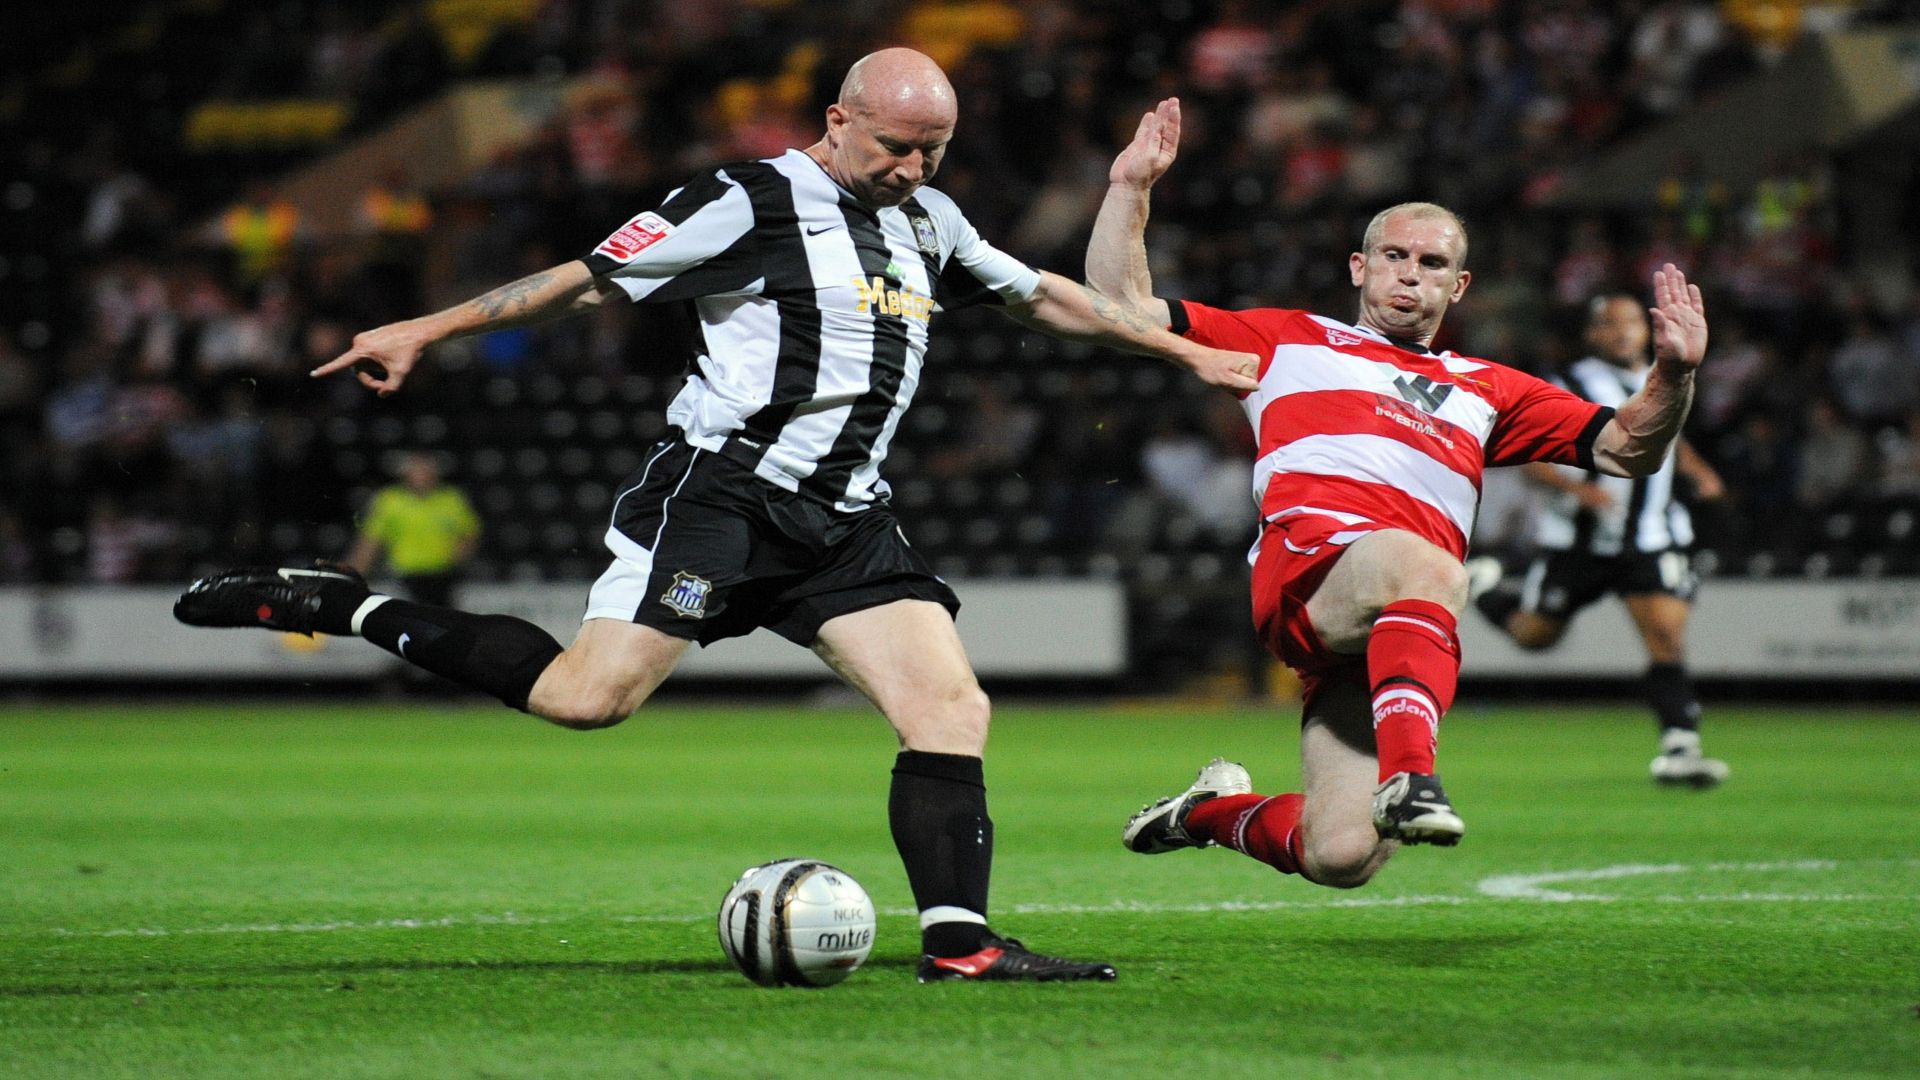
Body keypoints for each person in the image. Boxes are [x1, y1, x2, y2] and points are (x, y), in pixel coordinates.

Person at [174, 50, 1258, 982]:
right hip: (722, 498)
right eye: (892, 145)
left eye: (933, 149)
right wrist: (423, 326)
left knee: (949, 706)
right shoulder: (746, 197)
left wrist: (1182, 349)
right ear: (836, 120)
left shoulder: (930, 217)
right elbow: (592, 278)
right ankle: (348, 605)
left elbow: (1042, 295)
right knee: (586, 700)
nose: (912, 169)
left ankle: (961, 942)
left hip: (844, 520)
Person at [1088, 99, 1708, 888]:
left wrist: (1675, 376)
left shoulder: (1488, 387)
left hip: (1386, 626)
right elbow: (1122, 307)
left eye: (1432, 263)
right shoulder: (1286, 338)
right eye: (1394, 256)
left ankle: (1205, 812)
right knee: (1432, 568)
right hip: (1311, 577)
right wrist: (1129, 188)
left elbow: (1627, 448)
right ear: (1360, 266)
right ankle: (1414, 776)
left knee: (1341, 854)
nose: (1410, 273)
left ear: (1460, 284)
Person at [1465, 294, 1730, 787]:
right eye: (1609, 324)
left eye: (1630, 322)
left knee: (1665, 637)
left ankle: (1680, 747)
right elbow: (1530, 454)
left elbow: (1669, 437)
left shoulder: (1662, 378)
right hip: (1577, 543)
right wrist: (1577, 487)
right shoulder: (1567, 384)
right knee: (1535, 637)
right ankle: (1484, 587)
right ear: (1591, 335)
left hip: (1650, 536)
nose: (1622, 332)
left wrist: (1696, 470)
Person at [345, 451, 480, 609]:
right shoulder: (390, 501)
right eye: (417, 471)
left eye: (426, 471)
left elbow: (469, 534)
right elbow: (370, 541)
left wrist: (462, 552)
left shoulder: (451, 499)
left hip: (444, 575)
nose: (421, 476)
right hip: (406, 576)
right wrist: (353, 574)